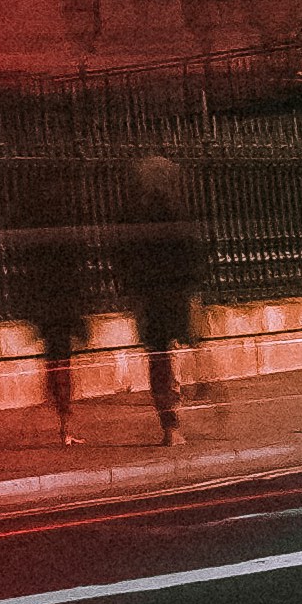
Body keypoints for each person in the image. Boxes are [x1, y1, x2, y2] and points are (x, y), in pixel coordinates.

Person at [114, 147, 205, 443]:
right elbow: (191, 252)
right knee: (179, 344)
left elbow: (123, 257)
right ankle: (178, 405)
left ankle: (169, 420)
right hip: (173, 293)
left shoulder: (131, 215)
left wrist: (130, 288)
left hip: (149, 296)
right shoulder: (174, 210)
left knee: (158, 357)